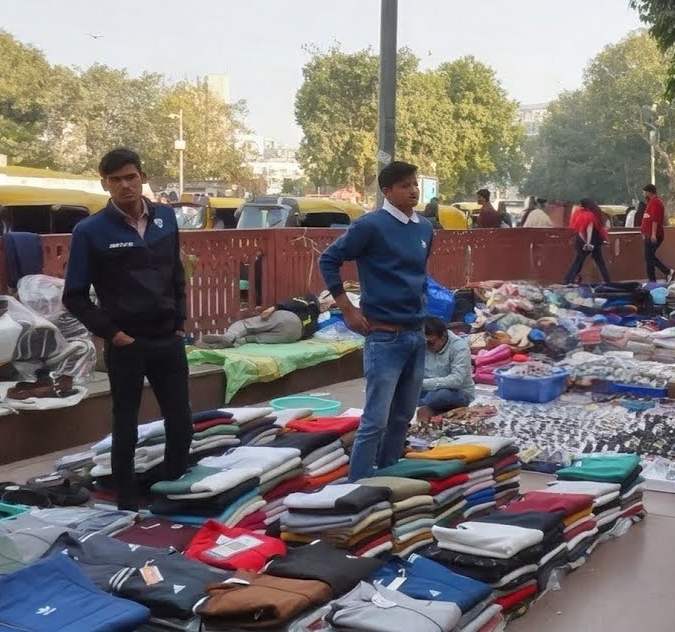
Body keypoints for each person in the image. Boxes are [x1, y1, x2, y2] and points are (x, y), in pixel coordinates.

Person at [63, 148, 191, 511]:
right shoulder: (91, 231)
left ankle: (174, 487)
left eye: (131, 177)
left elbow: (176, 275)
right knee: (126, 425)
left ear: (142, 177)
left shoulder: (165, 218)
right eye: (116, 179)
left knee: (180, 420)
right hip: (127, 343)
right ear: (105, 183)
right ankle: (126, 500)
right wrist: (114, 334)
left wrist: (180, 322)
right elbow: (74, 296)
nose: (125, 185)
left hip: (168, 338)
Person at [319, 161, 434, 481]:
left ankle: (388, 479)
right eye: (405, 186)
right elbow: (328, 260)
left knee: (401, 418)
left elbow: (418, 274)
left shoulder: (424, 227)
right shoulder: (370, 226)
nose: (413, 190)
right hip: (384, 337)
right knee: (375, 420)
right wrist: (347, 309)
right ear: (387, 191)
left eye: (415, 184)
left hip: (416, 335)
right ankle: (356, 485)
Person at [196, 292, 333, 348]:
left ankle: (228, 336)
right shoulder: (319, 320)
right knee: (253, 338)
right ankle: (220, 345)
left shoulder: (311, 299)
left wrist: (274, 308)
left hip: (289, 318)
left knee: (246, 325)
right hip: (294, 335)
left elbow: (296, 303)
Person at [416, 317, 475, 422]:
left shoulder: (459, 347)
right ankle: (428, 408)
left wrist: (421, 384)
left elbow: (457, 380)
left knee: (438, 396)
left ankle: (426, 406)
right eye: (425, 343)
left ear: (443, 337)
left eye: (431, 343)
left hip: (457, 393)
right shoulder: (423, 344)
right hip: (428, 389)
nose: (427, 347)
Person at [564, 199, 611, 284]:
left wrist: (585, 242)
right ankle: (607, 280)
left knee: (578, 260)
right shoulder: (593, 214)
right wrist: (589, 242)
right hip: (594, 240)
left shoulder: (578, 214)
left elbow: (580, 230)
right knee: (600, 262)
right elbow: (590, 228)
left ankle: (569, 279)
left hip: (581, 241)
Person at [640, 184, 673, 282]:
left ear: (649, 192)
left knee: (649, 257)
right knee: (649, 258)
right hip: (648, 234)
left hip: (653, 235)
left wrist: (653, 234)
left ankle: (666, 272)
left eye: (645, 192)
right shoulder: (651, 202)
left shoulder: (655, 202)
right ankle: (654, 279)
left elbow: (655, 219)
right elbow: (648, 218)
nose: (644, 194)